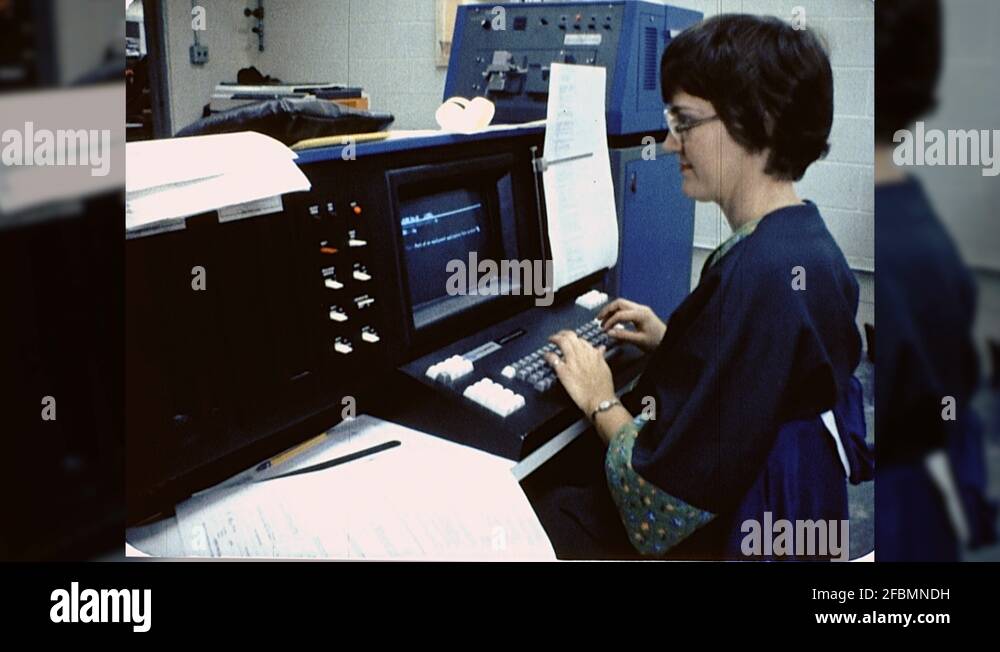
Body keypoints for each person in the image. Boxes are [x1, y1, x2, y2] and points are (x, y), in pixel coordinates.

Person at [533, 13, 872, 559]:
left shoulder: (760, 273)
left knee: (538, 505)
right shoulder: (804, 239)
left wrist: (599, 398)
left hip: (726, 534)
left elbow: (659, 499)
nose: (670, 144)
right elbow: (764, 380)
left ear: (757, 122)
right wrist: (674, 342)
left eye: (685, 122)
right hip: (784, 517)